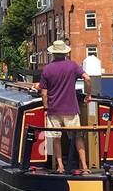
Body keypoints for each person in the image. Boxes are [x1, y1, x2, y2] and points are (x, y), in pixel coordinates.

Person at [37, 41, 88, 174]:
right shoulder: (72, 66)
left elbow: (44, 93)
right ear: (66, 53)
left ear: (53, 53)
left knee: (56, 138)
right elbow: (87, 78)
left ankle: (60, 166)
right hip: (71, 109)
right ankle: (84, 166)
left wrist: (46, 108)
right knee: (77, 137)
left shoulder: (47, 69)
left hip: (54, 110)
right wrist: (89, 95)